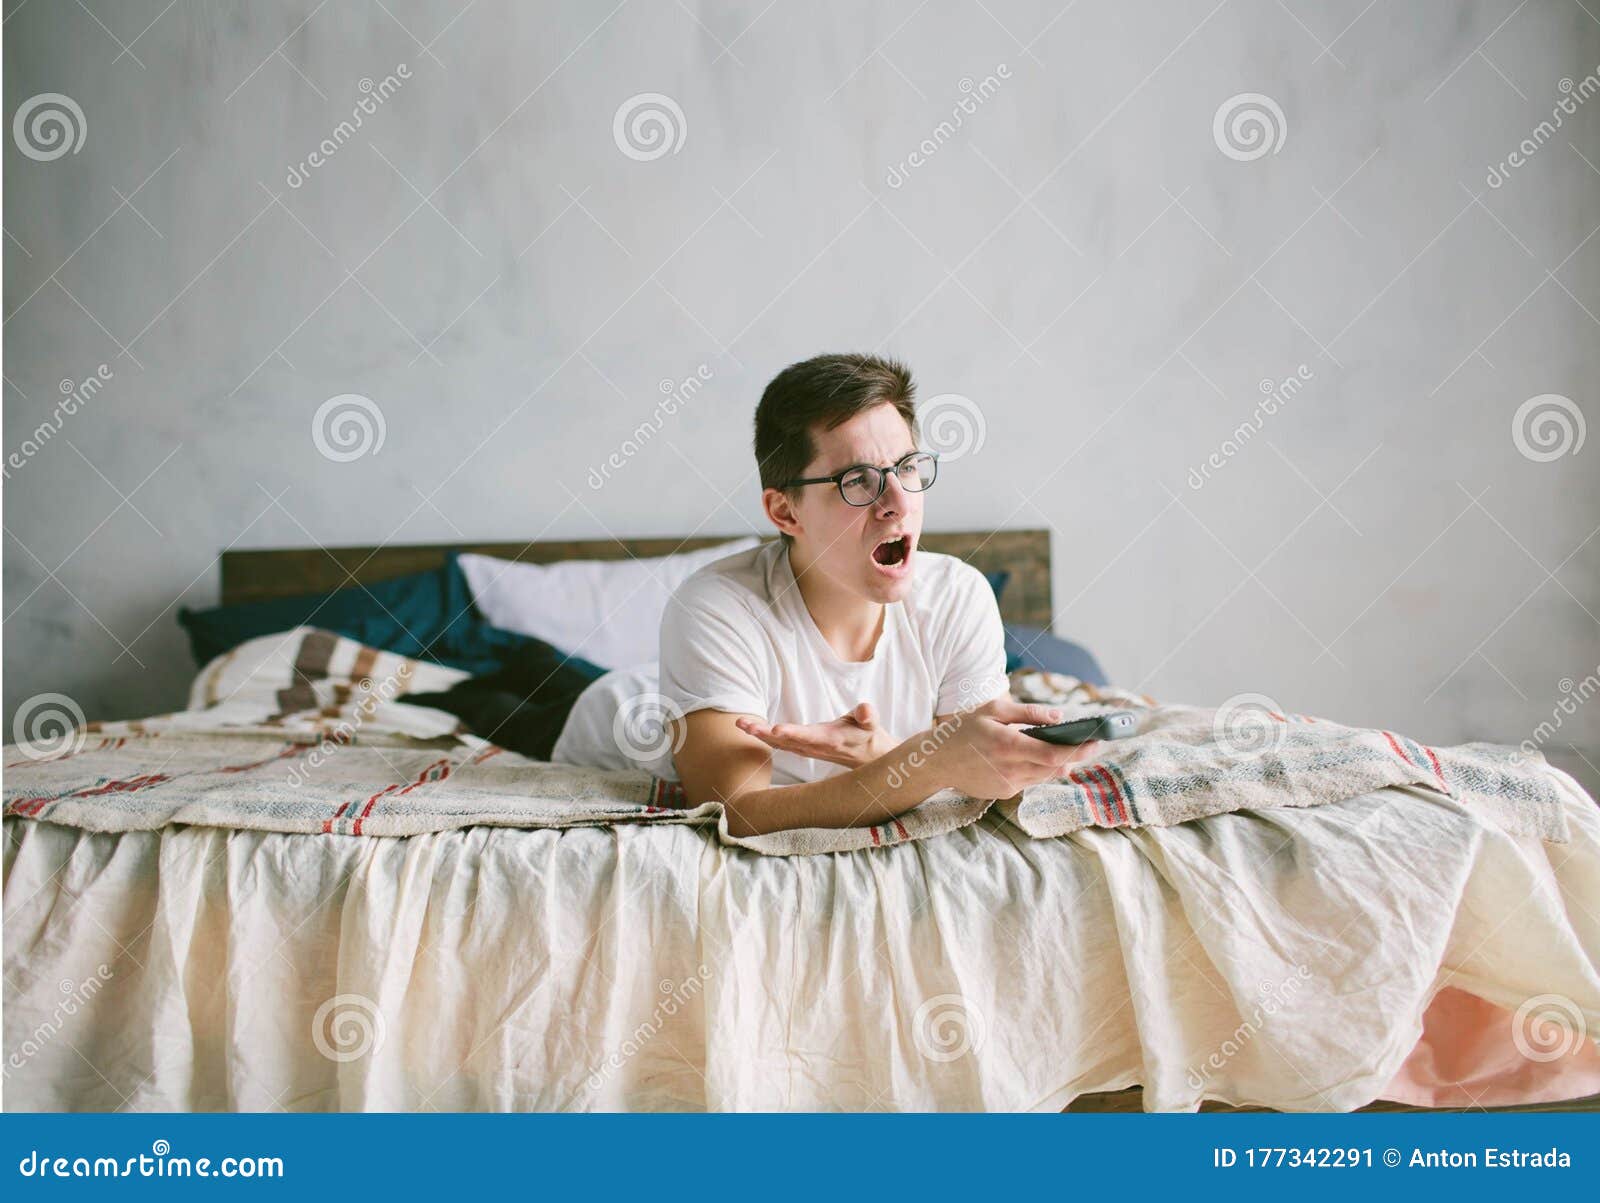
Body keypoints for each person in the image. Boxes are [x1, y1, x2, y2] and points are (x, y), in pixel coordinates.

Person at [659, 352, 1099, 837]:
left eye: (908, 467)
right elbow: (736, 812)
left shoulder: (959, 595)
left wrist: (887, 756)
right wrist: (926, 763)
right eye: (857, 481)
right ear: (785, 512)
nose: (899, 503)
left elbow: (976, 778)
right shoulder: (714, 609)